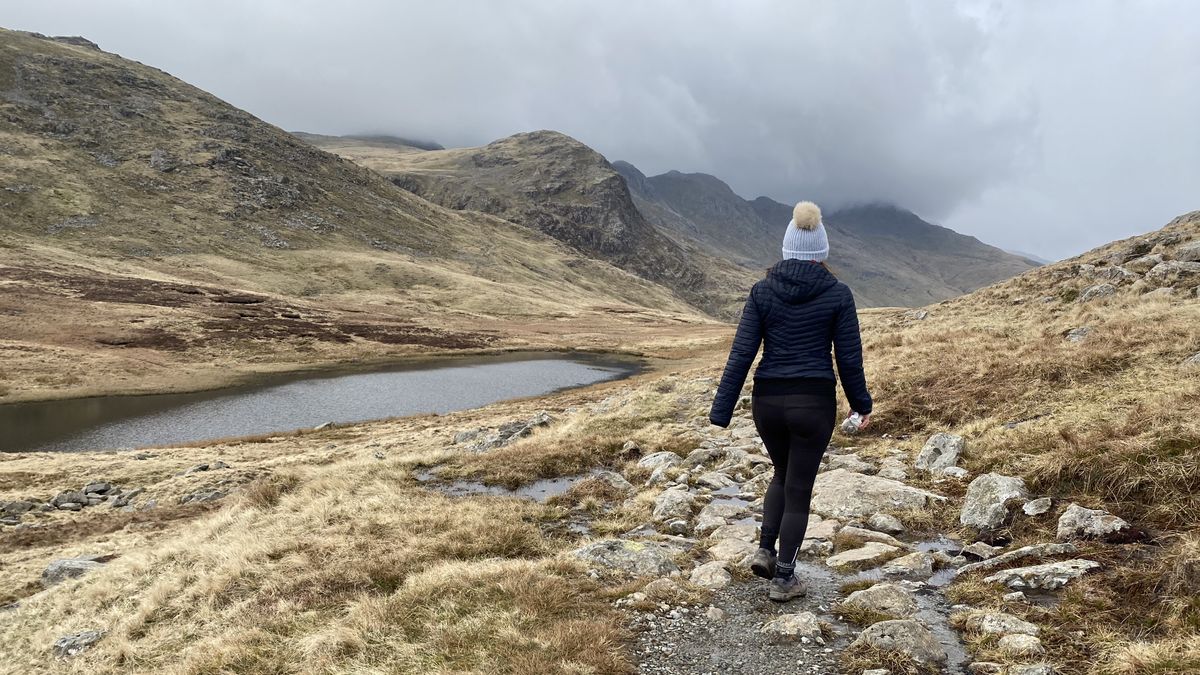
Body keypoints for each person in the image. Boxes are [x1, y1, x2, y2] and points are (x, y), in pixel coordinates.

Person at [708, 200, 873, 602]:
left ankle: (766, 549)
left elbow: (742, 353)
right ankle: (784, 578)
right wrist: (860, 404)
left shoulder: (762, 291)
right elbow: (848, 358)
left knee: (781, 474)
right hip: (813, 403)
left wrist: (722, 410)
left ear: (786, 249)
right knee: (799, 487)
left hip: (768, 402)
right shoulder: (838, 294)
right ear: (822, 253)